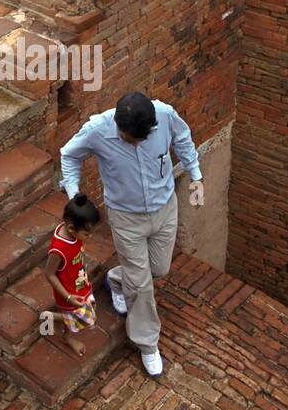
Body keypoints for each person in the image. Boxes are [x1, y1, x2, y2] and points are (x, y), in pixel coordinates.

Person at [59, 92, 204, 378]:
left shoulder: (164, 115)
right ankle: (148, 344)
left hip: (165, 208)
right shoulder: (97, 130)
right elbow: (69, 154)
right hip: (126, 218)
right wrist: (74, 194)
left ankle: (116, 280)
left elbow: (184, 138)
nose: (134, 143)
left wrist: (196, 175)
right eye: (128, 138)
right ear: (118, 126)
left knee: (159, 269)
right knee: (141, 285)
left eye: (140, 139)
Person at [42, 192, 101, 357]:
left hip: (80, 282)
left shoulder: (72, 233)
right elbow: (49, 274)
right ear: (70, 228)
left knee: (88, 310)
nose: (89, 237)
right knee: (84, 318)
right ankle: (65, 334)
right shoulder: (58, 250)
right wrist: (68, 297)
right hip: (68, 293)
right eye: (87, 234)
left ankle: (59, 319)